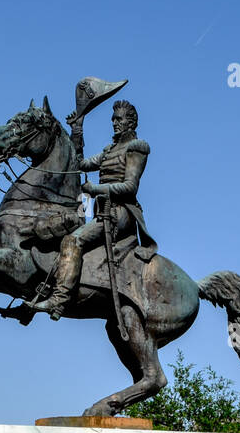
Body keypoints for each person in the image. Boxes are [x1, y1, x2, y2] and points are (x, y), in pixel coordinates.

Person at [28, 100, 156, 320]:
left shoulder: (137, 147)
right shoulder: (109, 151)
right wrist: (77, 130)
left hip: (121, 213)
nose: (115, 123)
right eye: (113, 119)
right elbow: (79, 164)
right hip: (102, 211)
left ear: (131, 122)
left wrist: (95, 189)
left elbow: (130, 186)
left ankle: (59, 300)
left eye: (119, 119)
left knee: (72, 240)